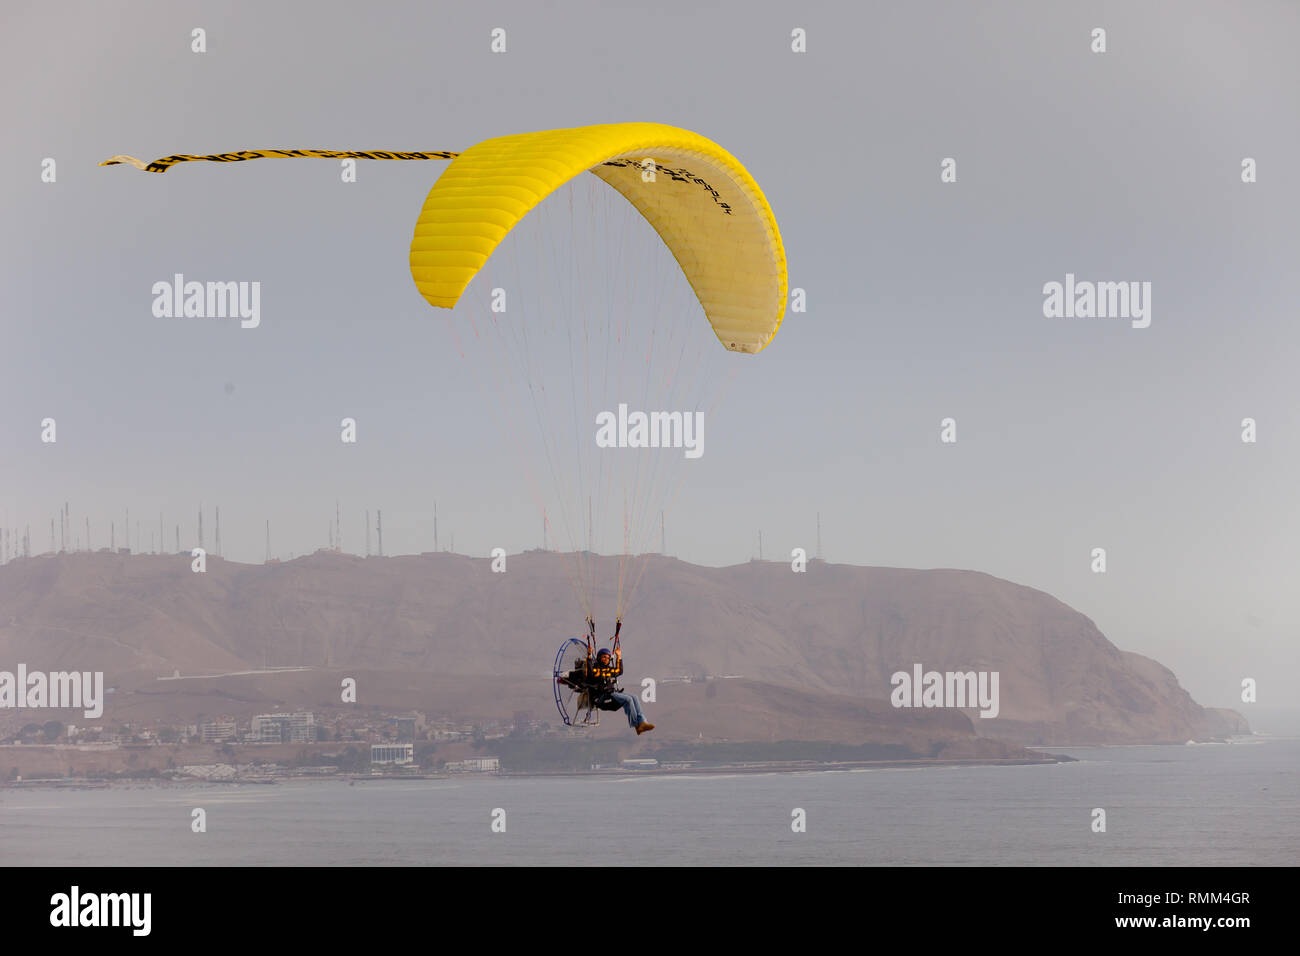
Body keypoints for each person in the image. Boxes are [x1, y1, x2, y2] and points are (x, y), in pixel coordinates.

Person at [557, 625, 654, 735]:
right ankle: (638, 726)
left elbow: (619, 671)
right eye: (604, 657)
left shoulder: (610, 670)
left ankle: (643, 722)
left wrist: (619, 657)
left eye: (608, 658)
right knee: (628, 700)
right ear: (599, 658)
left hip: (611, 696)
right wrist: (589, 655)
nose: (606, 659)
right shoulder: (596, 671)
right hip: (602, 698)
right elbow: (589, 672)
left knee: (634, 697)